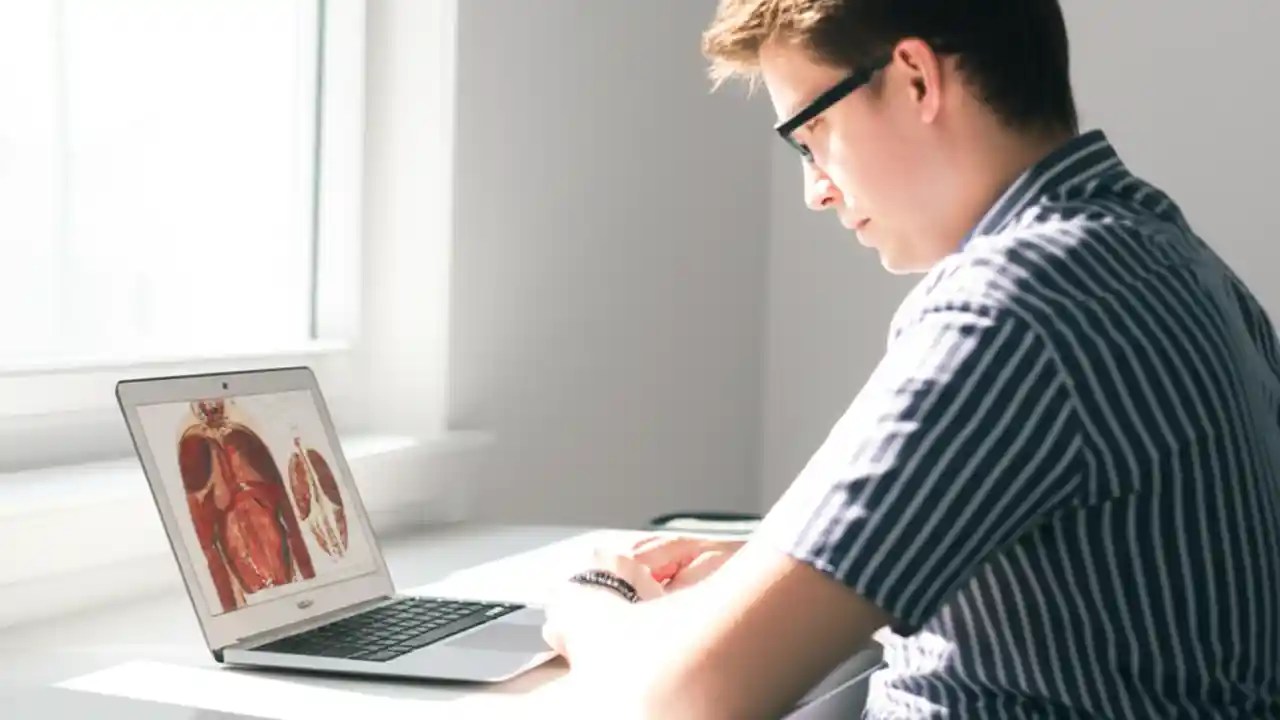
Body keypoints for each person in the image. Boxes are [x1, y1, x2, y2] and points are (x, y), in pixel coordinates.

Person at [541, 1, 1280, 717]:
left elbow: (678, 703)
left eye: (813, 127)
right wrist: (783, 568)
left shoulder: (1015, 302)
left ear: (916, 79)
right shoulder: (1171, 257)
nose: (815, 189)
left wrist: (593, 601)